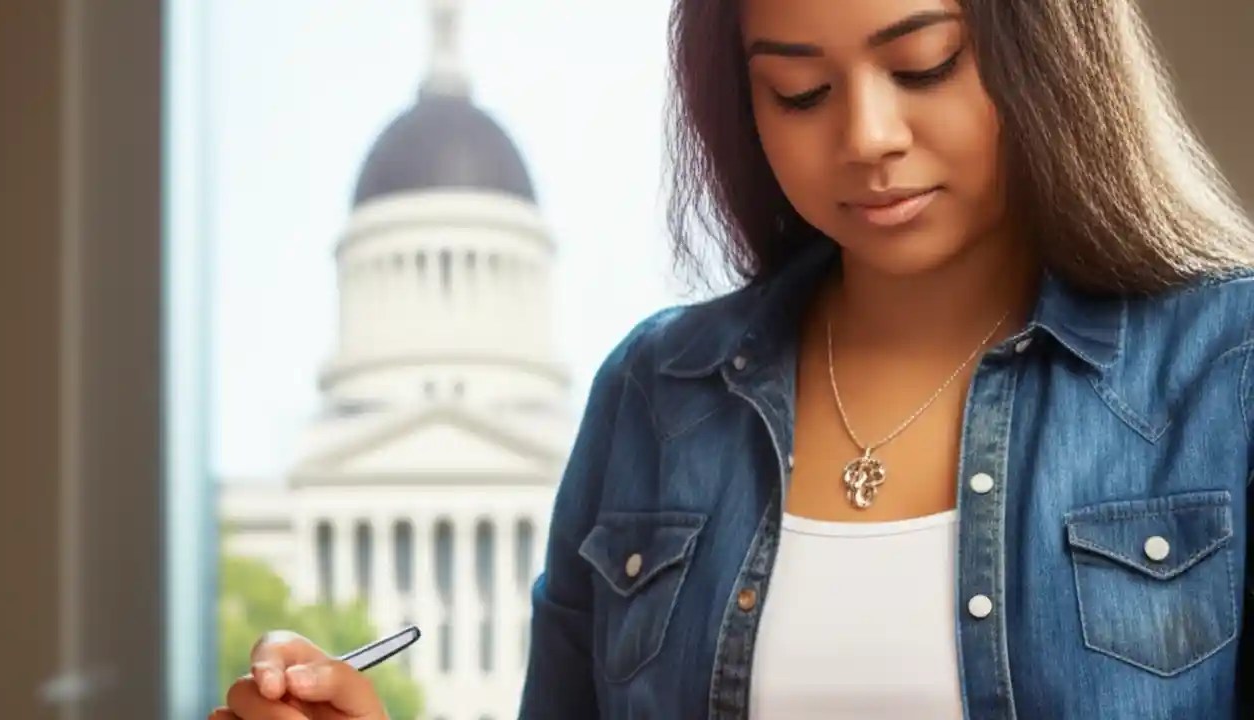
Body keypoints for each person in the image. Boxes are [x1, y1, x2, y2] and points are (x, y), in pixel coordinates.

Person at [215, 0, 1254, 717]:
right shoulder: (655, 398)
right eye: (797, 90)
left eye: (921, 63)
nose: (865, 134)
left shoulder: (1224, 371)